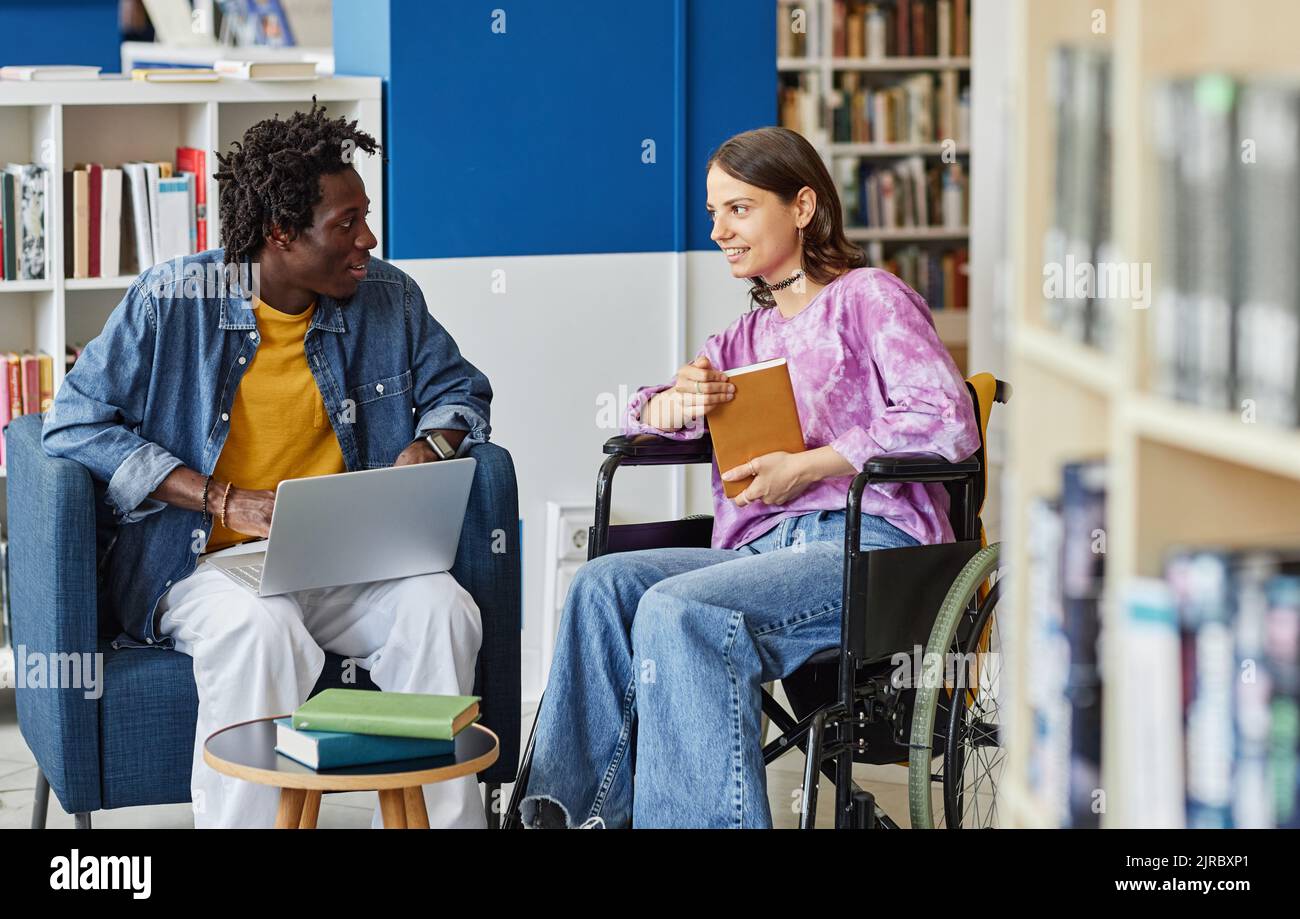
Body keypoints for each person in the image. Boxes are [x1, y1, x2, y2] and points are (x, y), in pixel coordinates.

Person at [42, 104, 492, 829]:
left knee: (444, 609)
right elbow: (72, 421)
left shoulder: (390, 297)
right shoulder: (170, 303)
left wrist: (431, 444)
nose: (367, 240)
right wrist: (223, 499)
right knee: (263, 628)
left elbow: (459, 389)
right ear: (281, 233)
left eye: (365, 217)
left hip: (347, 560)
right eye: (345, 224)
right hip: (203, 566)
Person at [520, 126, 980, 829]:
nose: (719, 230)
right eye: (713, 214)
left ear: (801, 206)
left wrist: (812, 466)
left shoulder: (869, 298)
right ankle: (570, 814)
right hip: (760, 555)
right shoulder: (740, 343)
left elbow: (947, 418)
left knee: (683, 611)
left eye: (738, 208)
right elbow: (649, 411)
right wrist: (672, 400)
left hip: (869, 545)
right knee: (600, 585)